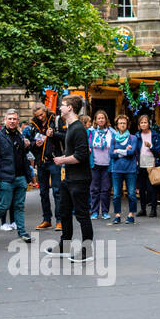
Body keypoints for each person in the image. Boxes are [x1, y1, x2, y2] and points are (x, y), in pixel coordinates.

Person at [53, 95, 94, 262]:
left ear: (70, 107)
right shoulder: (71, 127)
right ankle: (65, 245)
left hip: (79, 179)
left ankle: (87, 251)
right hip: (69, 178)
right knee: (64, 211)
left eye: (62, 105)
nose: (60, 108)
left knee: (82, 214)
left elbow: (81, 155)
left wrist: (62, 160)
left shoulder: (78, 128)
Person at [0, 109, 32, 244]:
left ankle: (22, 232)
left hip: (21, 177)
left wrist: (29, 177)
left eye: (15, 119)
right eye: (10, 118)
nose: (12, 121)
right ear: (5, 120)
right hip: (5, 177)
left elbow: (23, 158)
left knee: (19, 206)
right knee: (4, 205)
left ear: (18, 120)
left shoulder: (20, 136)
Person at [23, 104, 62, 230]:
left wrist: (54, 134)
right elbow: (29, 145)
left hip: (54, 160)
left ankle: (60, 220)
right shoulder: (33, 126)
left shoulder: (56, 120)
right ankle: (47, 219)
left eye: (42, 114)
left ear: (46, 111)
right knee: (43, 192)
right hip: (41, 162)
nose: (40, 117)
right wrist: (35, 144)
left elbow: (66, 136)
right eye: (37, 116)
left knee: (57, 191)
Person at [109, 113, 138, 224]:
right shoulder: (114, 139)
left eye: (124, 123)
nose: (122, 125)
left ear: (127, 125)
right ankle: (117, 215)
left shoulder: (133, 138)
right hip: (116, 170)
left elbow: (131, 153)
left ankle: (131, 214)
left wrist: (118, 151)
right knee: (116, 194)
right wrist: (125, 151)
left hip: (130, 169)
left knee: (131, 193)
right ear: (117, 125)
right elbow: (111, 154)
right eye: (120, 123)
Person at [134, 112, 160, 218]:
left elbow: (159, 150)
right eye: (141, 123)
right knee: (141, 188)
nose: (143, 124)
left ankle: (153, 209)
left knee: (152, 188)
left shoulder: (154, 134)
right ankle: (143, 209)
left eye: (145, 122)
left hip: (151, 163)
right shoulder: (137, 135)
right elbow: (136, 150)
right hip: (140, 163)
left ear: (148, 124)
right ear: (139, 124)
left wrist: (151, 146)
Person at [88, 110, 114, 219]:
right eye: (98, 118)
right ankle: (94, 211)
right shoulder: (90, 131)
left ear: (106, 119)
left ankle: (105, 212)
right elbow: (85, 143)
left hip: (107, 165)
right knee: (94, 189)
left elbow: (116, 144)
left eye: (102, 118)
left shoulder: (112, 132)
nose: (101, 120)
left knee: (106, 189)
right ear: (95, 120)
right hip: (95, 164)